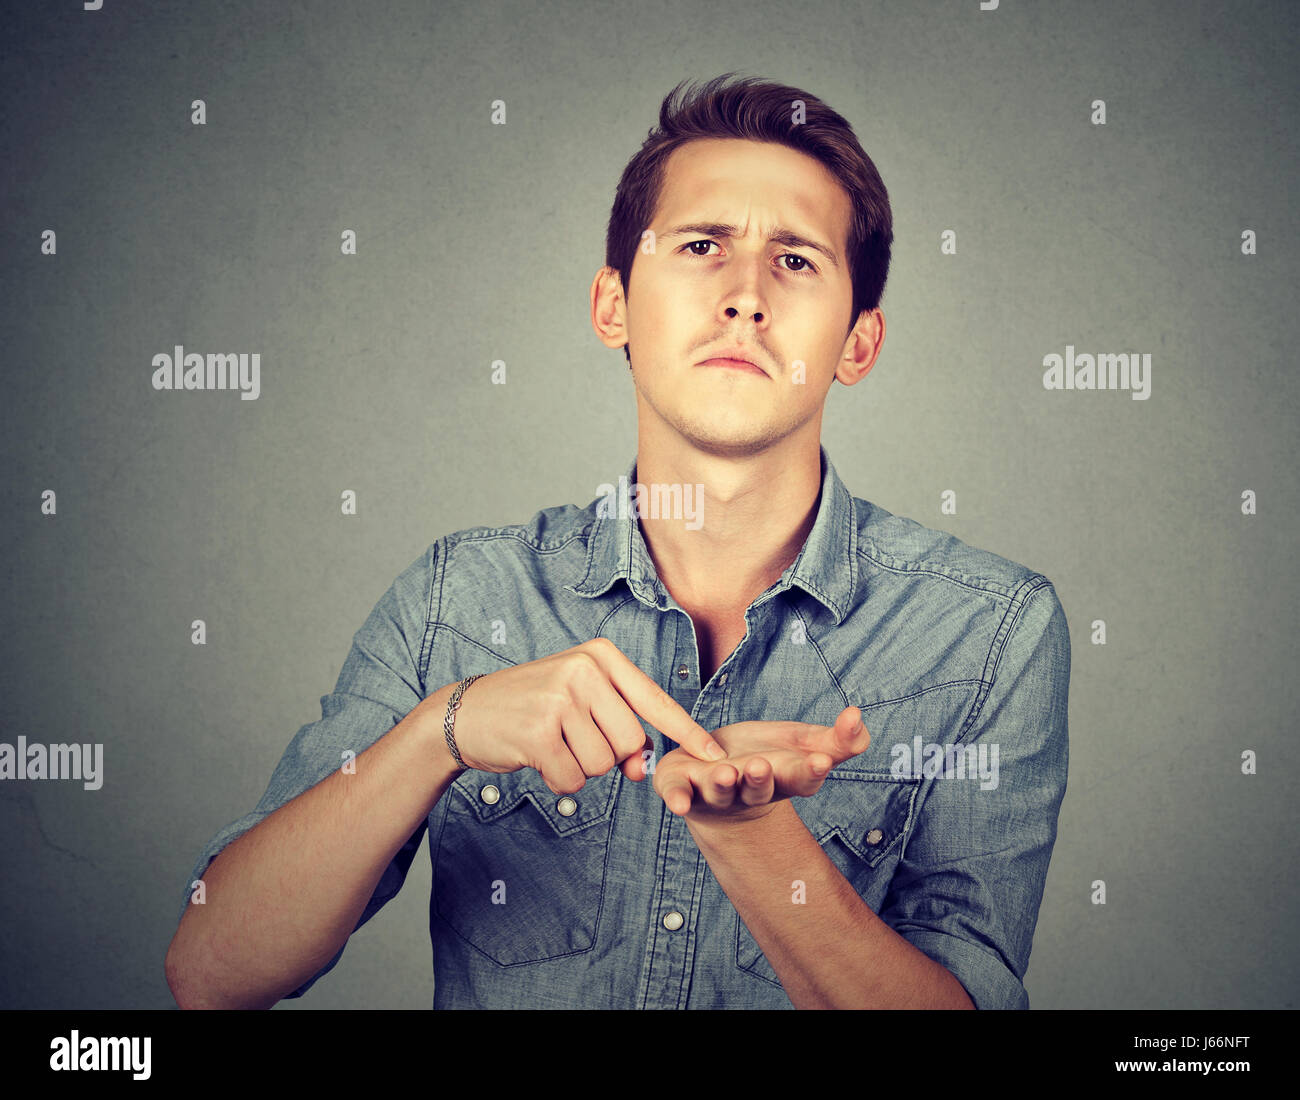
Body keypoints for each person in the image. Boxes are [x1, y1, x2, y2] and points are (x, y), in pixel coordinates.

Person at [165, 72, 1069, 1010]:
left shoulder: (992, 633)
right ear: (613, 307)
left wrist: (755, 838)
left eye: (796, 260)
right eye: (701, 245)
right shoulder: (459, 599)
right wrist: (445, 729)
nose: (746, 297)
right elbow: (211, 970)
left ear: (858, 343)